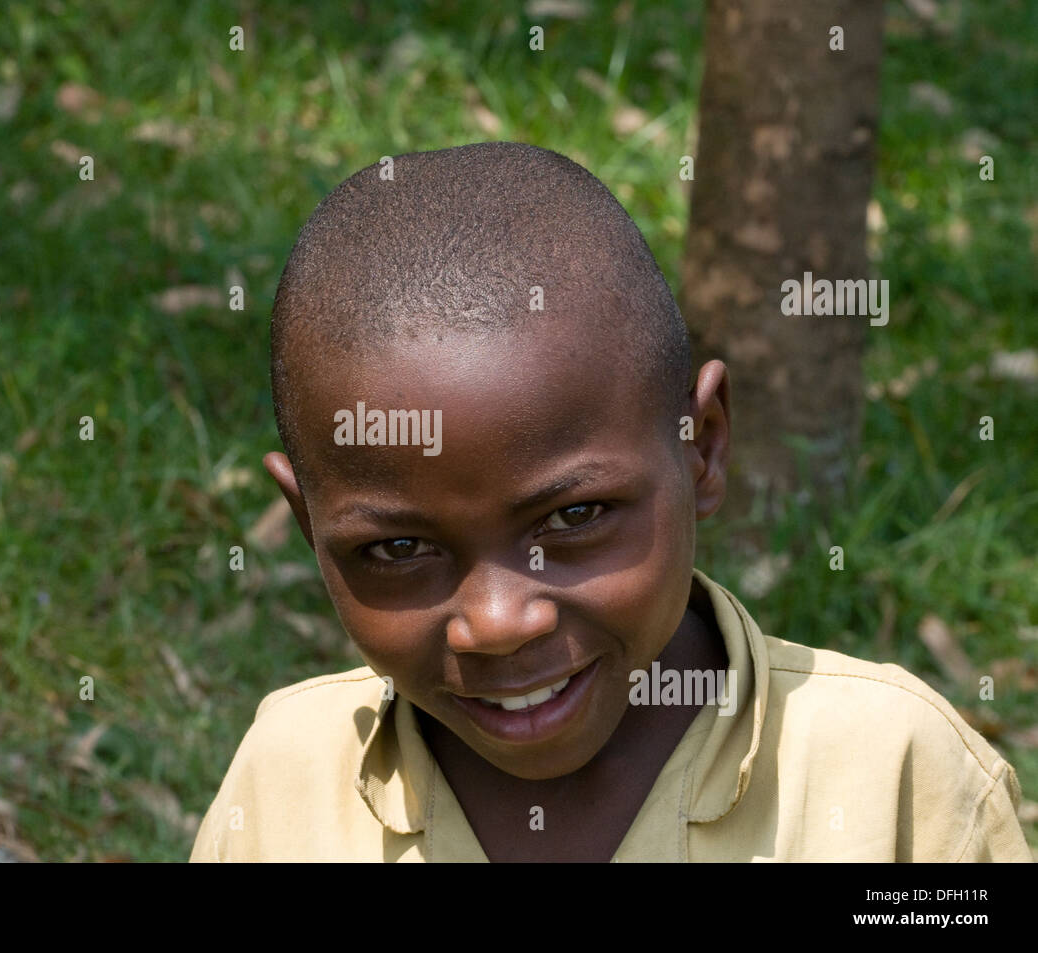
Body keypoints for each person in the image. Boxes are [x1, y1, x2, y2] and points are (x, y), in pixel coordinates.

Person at [190, 142, 1031, 862]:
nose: (496, 620)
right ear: (310, 526)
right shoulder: (285, 788)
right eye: (400, 550)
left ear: (700, 445)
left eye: (573, 518)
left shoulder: (890, 779)